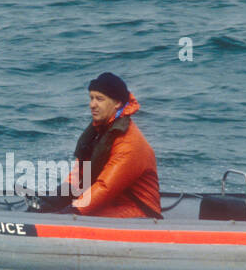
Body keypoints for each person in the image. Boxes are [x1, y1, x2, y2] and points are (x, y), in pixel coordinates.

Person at [37, 72, 162, 218]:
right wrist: (59, 196)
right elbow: (81, 172)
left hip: (139, 212)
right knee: (48, 207)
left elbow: (105, 187)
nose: (92, 105)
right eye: (91, 98)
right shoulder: (101, 130)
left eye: (99, 99)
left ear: (117, 103)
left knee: (75, 214)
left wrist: (72, 212)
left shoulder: (129, 143)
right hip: (113, 201)